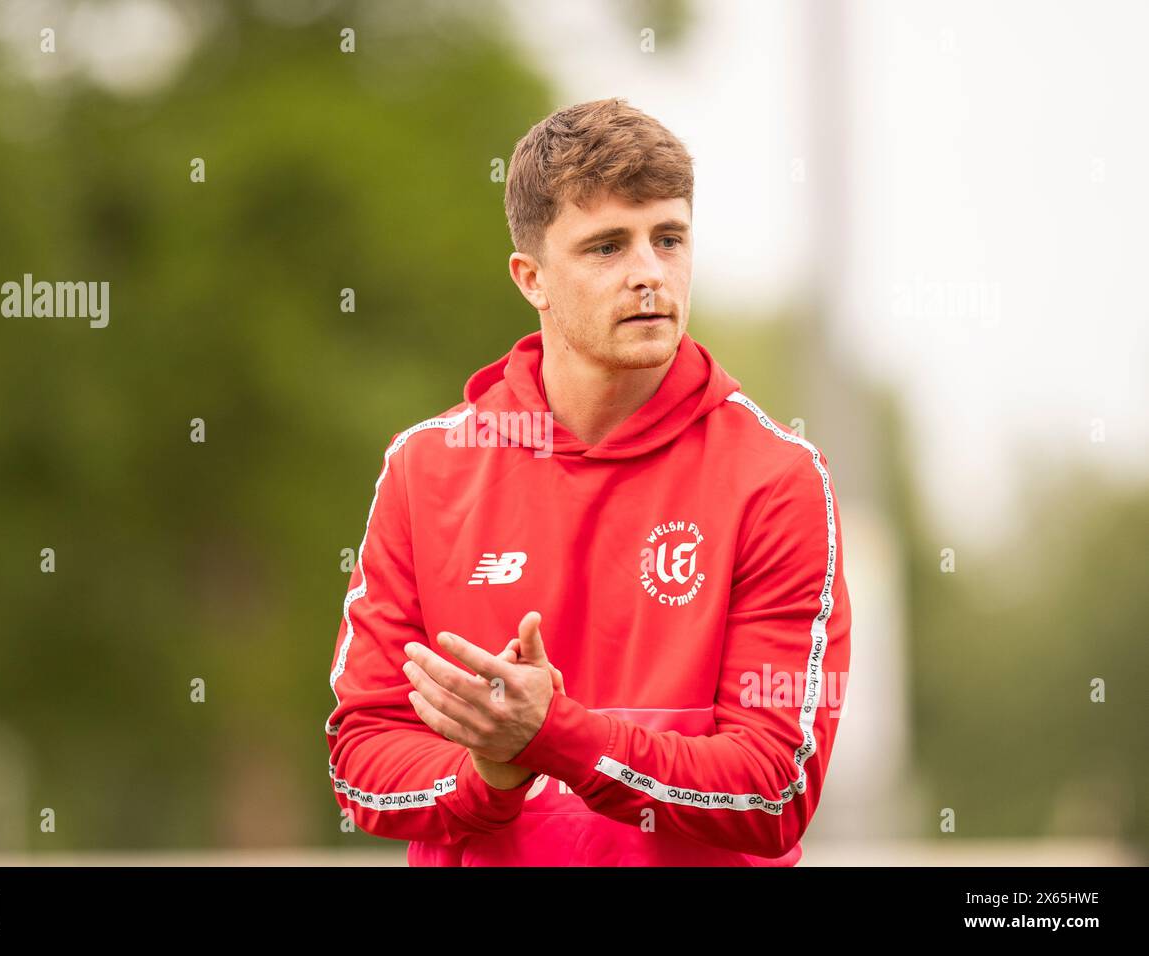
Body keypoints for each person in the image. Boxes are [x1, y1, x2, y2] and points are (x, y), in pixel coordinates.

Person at [325, 96, 852, 866]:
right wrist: (488, 775)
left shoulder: (777, 479)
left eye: (668, 239)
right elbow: (362, 764)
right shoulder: (425, 468)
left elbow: (775, 791)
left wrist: (556, 736)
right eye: (607, 247)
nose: (649, 274)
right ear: (531, 277)